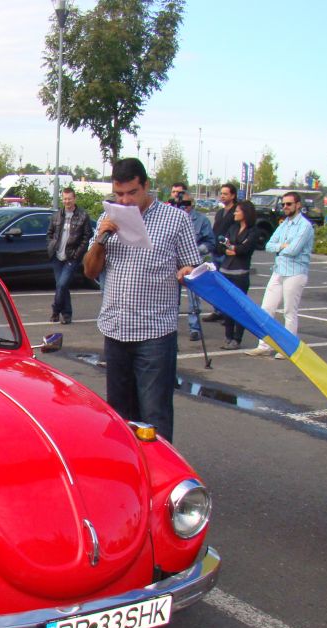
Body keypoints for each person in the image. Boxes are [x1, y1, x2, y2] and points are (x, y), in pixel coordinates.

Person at [82, 158, 201, 442]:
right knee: (120, 414)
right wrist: (101, 238)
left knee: (154, 414)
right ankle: (127, 472)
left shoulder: (176, 220)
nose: (125, 200)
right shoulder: (106, 220)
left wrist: (188, 272)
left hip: (154, 334)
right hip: (115, 330)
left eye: (132, 193)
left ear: (146, 186)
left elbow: (193, 267)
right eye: (119, 194)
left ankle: (161, 479)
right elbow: (90, 270)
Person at [245, 192, 315, 358]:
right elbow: (268, 245)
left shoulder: (305, 226)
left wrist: (282, 247)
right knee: (266, 308)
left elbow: (294, 250)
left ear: (298, 205)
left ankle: (288, 348)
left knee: (289, 311)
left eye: (289, 204)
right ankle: (264, 345)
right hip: (279, 270)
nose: (285, 207)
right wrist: (282, 246)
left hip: (295, 272)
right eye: (283, 204)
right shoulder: (284, 224)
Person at [170, 186, 216, 342]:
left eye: (187, 204)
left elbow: (211, 242)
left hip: (193, 264)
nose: (184, 206)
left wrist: (193, 251)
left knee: (193, 298)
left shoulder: (201, 220)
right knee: (171, 298)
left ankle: (195, 327)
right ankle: (170, 327)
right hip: (173, 265)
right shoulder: (171, 218)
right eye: (181, 203)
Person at [45, 187, 93, 324]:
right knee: (62, 286)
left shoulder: (83, 216)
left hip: (71, 257)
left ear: (74, 198)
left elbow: (87, 236)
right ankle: (67, 314)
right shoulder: (57, 215)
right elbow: (49, 233)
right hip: (57, 257)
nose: (67, 201)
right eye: (65, 199)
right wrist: (50, 247)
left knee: (61, 284)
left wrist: (78, 253)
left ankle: (55, 311)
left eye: (69, 198)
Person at [217, 200, 260, 350]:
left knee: (240, 307)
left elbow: (245, 248)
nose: (235, 213)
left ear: (245, 213)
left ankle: (237, 338)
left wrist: (234, 248)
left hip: (240, 272)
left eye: (237, 211)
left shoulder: (253, 231)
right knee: (227, 305)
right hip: (225, 270)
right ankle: (228, 336)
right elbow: (221, 244)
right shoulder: (233, 227)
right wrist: (228, 249)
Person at [201, 182, 239, 323]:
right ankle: (218, 311)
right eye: (221, 194)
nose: (222, 196)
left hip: (227, 252)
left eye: (225, 194)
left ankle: (229, 314)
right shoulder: (220, 212)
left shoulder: (236, 212)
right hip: (215, 251)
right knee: (216, 283)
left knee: (228, 285)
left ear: (233, 195)